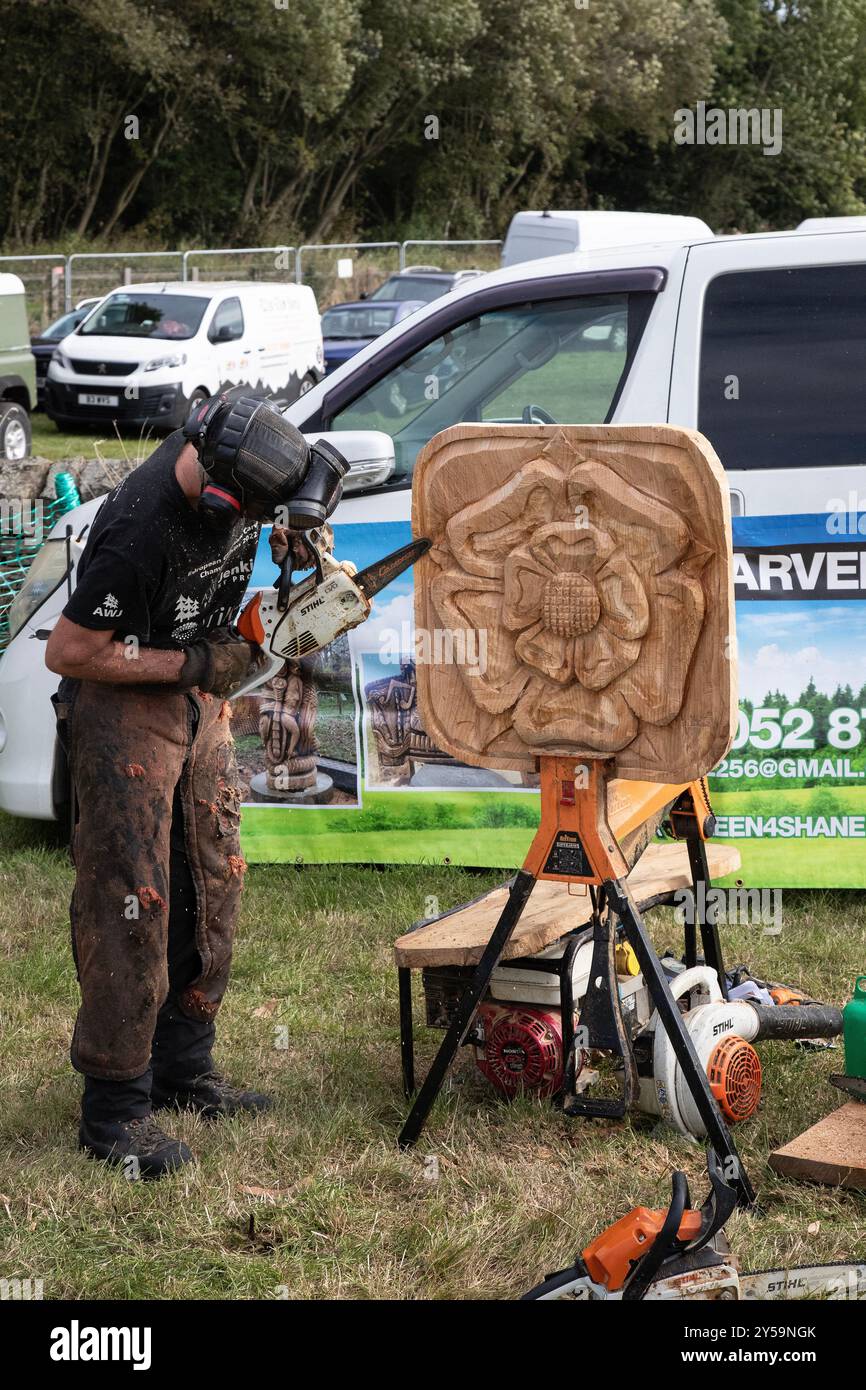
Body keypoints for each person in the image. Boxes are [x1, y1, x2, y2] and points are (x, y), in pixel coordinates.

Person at [45, 394, 346, 1178]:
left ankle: (184, 1067)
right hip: (123, 704)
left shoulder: (252, 452)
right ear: (220, 494)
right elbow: (71, 650)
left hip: (199, 696)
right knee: (132, 899)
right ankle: (114, 1108)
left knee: (213, 877)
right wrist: (191, 665)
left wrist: (302, 542)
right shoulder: (137, 528)